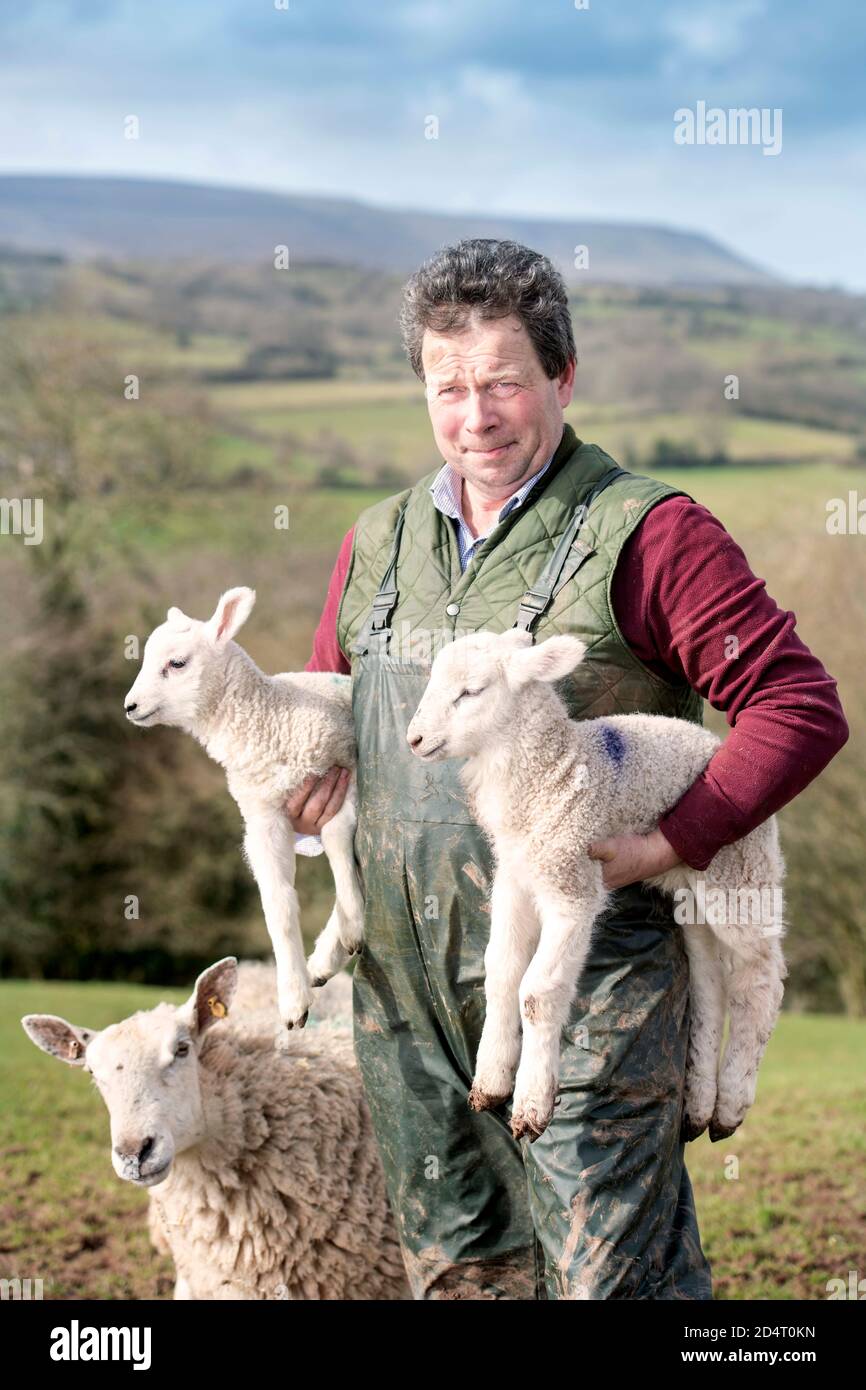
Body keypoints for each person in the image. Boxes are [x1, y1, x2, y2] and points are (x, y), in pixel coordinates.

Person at [284, 238, 848, 1300]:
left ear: (561, 377)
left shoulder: (649, 533)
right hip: (410, 1020)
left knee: (611, 1287)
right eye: (445, 387)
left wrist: (672, 841)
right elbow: (329, 717)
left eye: (501, 380)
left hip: (591, 994)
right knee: (464, 1283)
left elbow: (796, 705)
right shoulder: (376, 540)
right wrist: (302, 796)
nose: (473, 415)